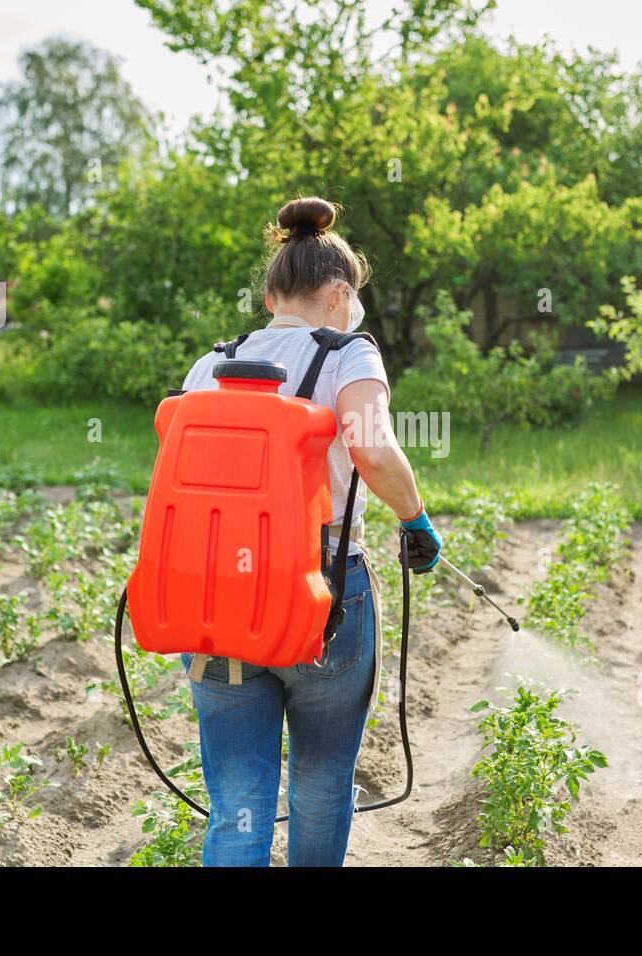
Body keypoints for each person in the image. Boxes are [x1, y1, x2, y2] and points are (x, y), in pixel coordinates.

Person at [177, 196, 442, 866]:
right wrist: (415, 519)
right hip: (319, 598)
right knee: (322, 783)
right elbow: (373, 450)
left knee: (237, 798)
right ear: (340, 291)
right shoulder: (350, 353)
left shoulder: (210, 365)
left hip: (216, 600)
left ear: (269, 296)